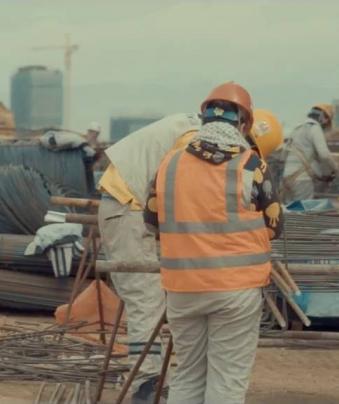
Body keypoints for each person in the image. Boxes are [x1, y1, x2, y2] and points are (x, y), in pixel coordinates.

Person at [143, 89, 284, 404]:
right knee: (226, 382)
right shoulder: (252, 166)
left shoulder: (170, 164)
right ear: (243, 125)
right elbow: (274, 227)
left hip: (182, 288)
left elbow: (151, 222)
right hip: (236, 289)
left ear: (203, 120)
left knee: (188, 376)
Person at [97, 109, 203, 404]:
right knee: (146, 297)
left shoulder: (190, 127)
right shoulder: (194, 139)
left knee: (149, 297)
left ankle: (152, 377)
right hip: (128, 209)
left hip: (128, 207)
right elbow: (174, 187)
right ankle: (146, 383)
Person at [280, 103, 338, 203]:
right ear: (324, 118)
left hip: (287, 177)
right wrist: (335, 168)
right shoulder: (314, 128)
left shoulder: (296, 129)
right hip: (302, 179)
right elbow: (325, 155)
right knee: (303, 210)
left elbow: (283, 156)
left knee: (288, 210)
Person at [83, 122, 102, 196]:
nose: (96, 135)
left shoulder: (97, 144)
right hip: (86, 169)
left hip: (95, 169)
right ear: (90, 132)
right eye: (95, 133)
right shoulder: (83, 142)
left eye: (97, 133)